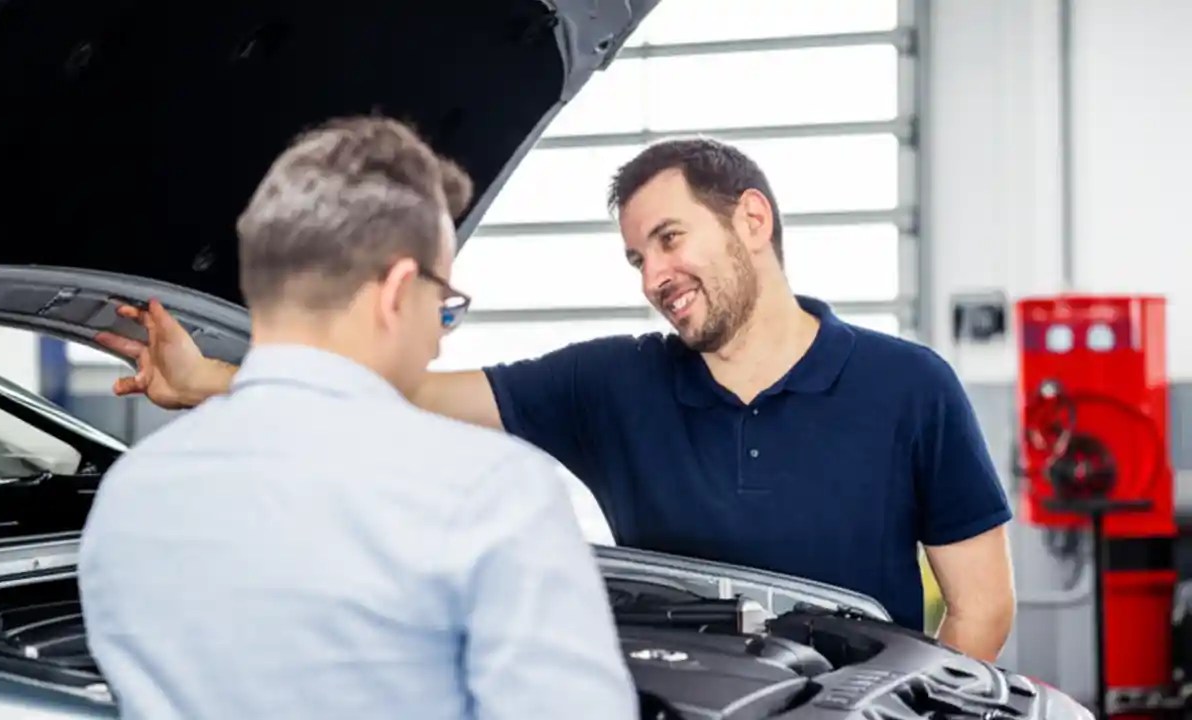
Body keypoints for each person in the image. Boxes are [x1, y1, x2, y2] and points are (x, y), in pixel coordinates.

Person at [96, 136, 1016, 663]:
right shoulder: (611, 383)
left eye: (668, 239)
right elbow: (399, 388)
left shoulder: (910, 386)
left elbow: (983, 609)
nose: (654, 276)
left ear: (752, 221)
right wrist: (214, 380)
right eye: (635, 259)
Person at [77, 117, 638, 720]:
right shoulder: (489, 496)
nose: (438, 345)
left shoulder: (131, 496)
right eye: (444, 307)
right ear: (398, 291)